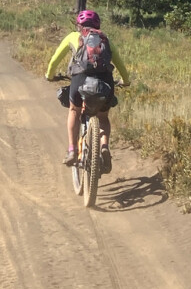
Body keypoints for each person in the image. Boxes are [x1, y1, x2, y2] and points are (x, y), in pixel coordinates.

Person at [45, 9, 130, 173]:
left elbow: (55, 59)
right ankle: (104, 146)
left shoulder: (72, 37)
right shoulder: (105, 39)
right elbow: (119, 63)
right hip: (105, 81)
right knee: (103, 117)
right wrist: (125, 81)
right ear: (97, 25)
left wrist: (50, 75)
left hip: (79, 80)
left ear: (79, 25)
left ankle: (72, 150)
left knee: (74, 111)